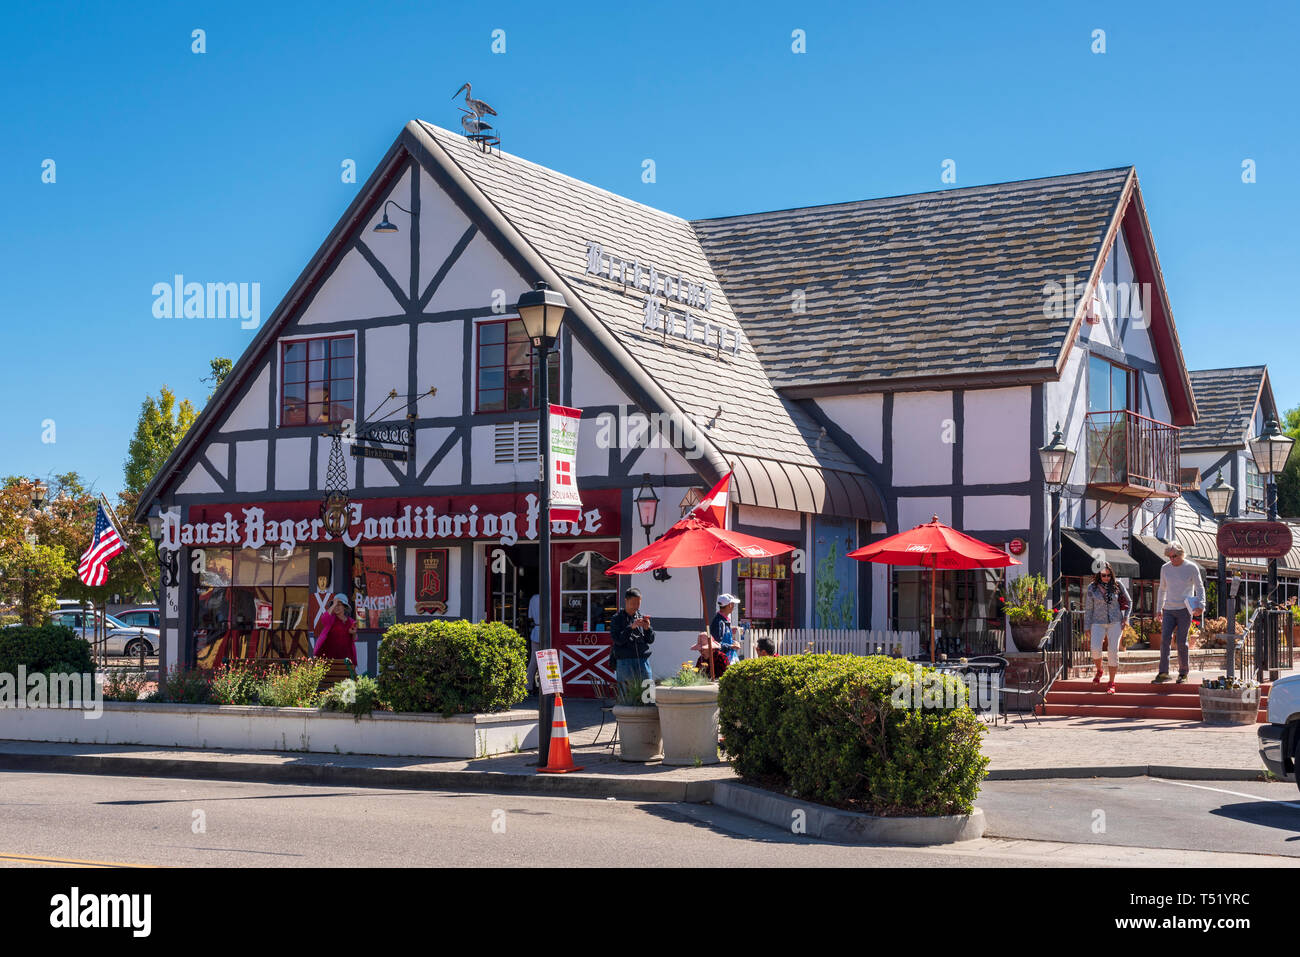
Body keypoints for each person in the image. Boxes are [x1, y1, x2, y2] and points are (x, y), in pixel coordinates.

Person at [1154, 541, 1204, 683]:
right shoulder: (1165, 568)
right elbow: (1162, 589)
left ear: (1182, 554)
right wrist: (1159, 609)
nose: (1172, 559)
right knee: (1165, 640)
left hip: (1184, 609)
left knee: (1182, 642)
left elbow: (1200, 587)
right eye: (1169, 556)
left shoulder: (1191, 567)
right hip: (1168, 609)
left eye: (1174, 556)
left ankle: (1183, 673)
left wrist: (1201, 605)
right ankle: (1163, 673)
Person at [1083, 562, 1130, 694]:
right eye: (1103, 575)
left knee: (1113, 651)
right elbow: (1088, 609)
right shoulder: (1092, 588)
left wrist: (1126, 618)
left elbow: (1129, 601)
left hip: (1115, 622)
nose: (1106, 578)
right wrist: (1087, 627)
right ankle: (1099, 670)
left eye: (1109, 575)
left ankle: (1111, 682)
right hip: (1097, 622)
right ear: (1098, 574)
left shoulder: (1118, 585)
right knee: (1095, 649)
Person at [609, 587, 654, 696]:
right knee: (627, 695)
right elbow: (618, 640)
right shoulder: (617, 618)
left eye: (638, 603)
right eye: (633, 603)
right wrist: (631, 627)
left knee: (648, 694)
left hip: (643, 660)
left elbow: (650, 640)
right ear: (626, 601)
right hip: (625, 661)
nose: (636, 606)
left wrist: (648, 629)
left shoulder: (640, 617)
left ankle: (648, 712)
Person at [313, 594, 358, 663]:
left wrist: (354, 633)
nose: (336, 607)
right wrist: (334, 604)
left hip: (346, 658)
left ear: (345, 607)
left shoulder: (351, 622)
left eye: (339, 605)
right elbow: (324, 618)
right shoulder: (331, 618)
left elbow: (354, 639)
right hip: (328, 658)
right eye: (334, 605)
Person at [711, 594, 742, 665]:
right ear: (730, 605)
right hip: (722, 661)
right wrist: (731, 646)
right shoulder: (719, 622)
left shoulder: (721, 621)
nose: (734, 606)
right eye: (733, 604)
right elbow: (716, 644)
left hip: (726, 659)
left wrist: (730, 631)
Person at [526, 592, 540, 694]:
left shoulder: (533, 598)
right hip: (545, 631)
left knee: (533, 661)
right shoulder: (549, 597)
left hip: (536, 630)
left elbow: (530, 616)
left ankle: (528, 685)